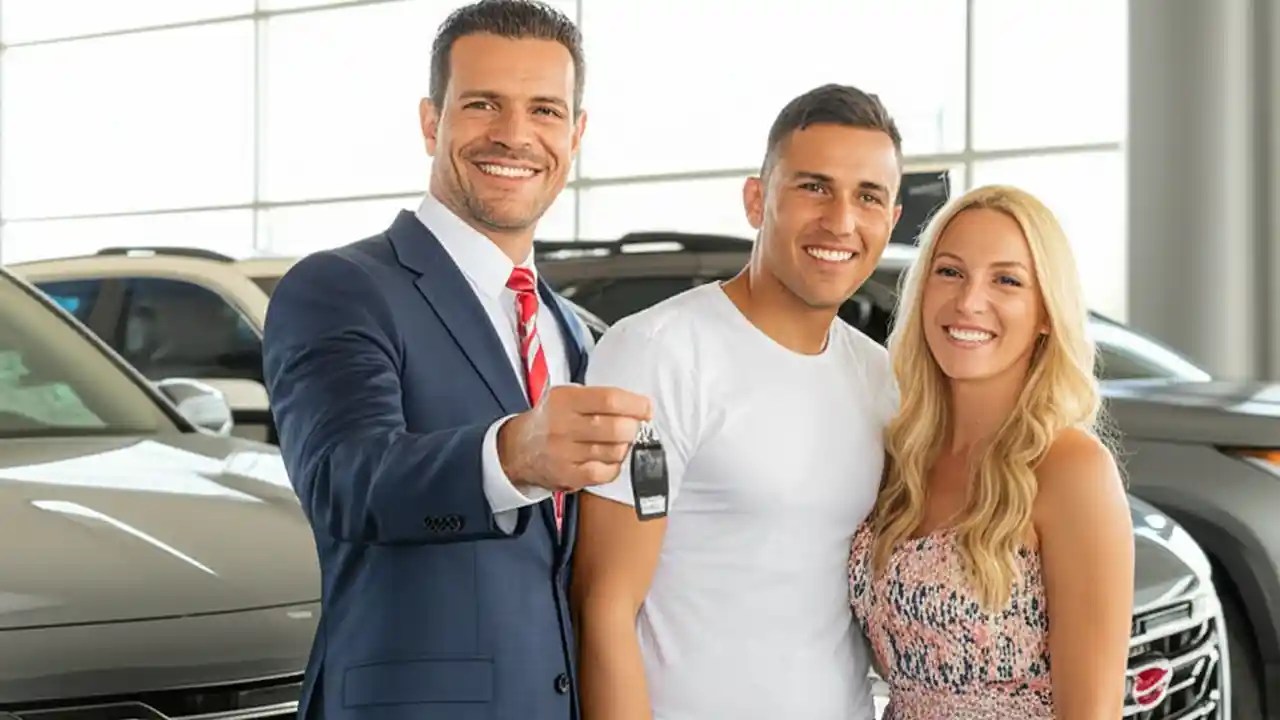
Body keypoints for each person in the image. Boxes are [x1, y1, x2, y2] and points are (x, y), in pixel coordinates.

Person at [262, 2, 651, 719]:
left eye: (544, 110)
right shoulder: (341, 288)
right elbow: (345, 479)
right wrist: (514, 453)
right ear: (430, 121)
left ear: (575, 134)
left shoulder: (578, 333)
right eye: (483, 104)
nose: (514, 135)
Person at [570, 83, 904, 720]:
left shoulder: (879, 377)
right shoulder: (658, 353)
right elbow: (604, 607)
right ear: (757, 200)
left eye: (867, 196)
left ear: (890, 219)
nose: (841, 220)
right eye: (814, 187)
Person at [848, 184, 1134, 718]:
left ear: (1046, 312)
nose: (968, 301)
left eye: (1006, 280)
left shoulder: (1072, 469)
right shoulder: (900, 455)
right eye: (950, 272)